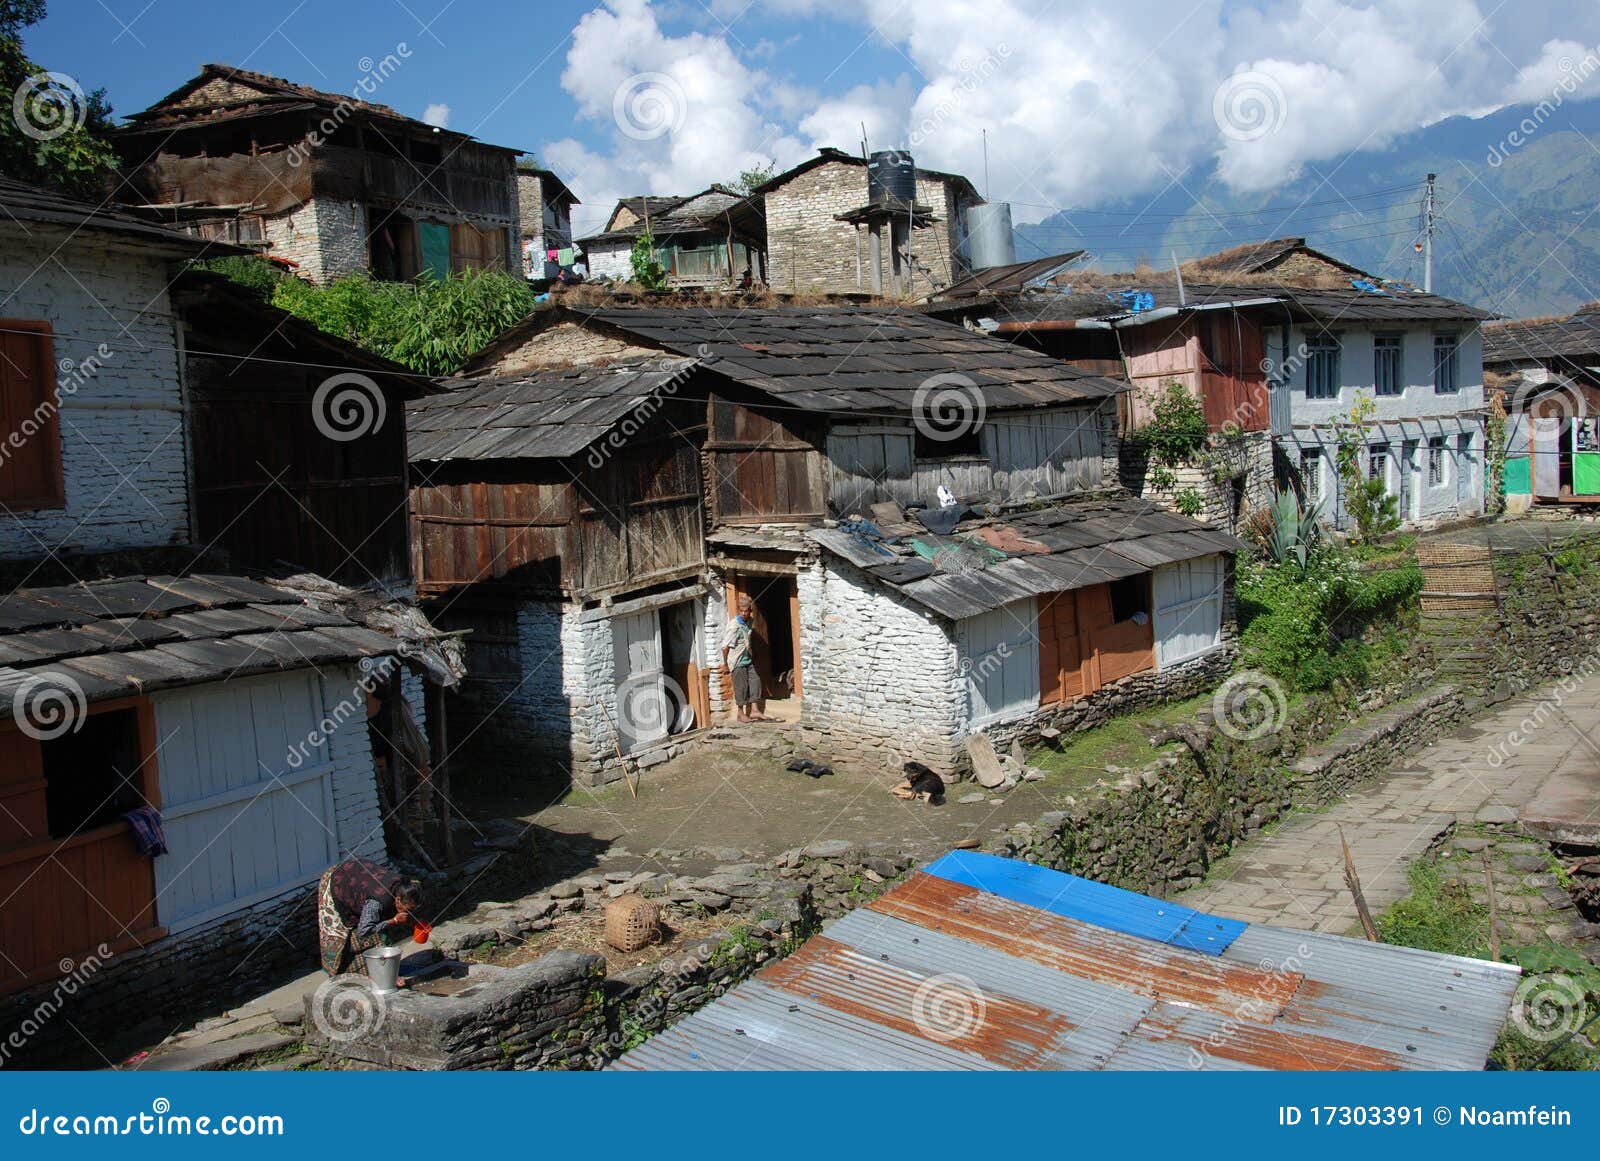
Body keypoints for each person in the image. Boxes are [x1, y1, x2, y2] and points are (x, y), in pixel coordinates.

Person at [316, 856, 424, 978]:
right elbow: (364, 931)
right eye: (408, 910)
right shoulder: (375, 903)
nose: (410, 913)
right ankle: (342, 974)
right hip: (338, 881)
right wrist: (393, 921)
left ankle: (383, 969)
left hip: (356, 874)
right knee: (342, 934)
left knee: (379, 933)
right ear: (398, 900)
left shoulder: (403, 886)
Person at [720, 595, 771, 723]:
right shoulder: (734, 625)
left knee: (756, 681)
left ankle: (754, 711)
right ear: (738, 611)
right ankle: (740, 713)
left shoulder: (749, 621)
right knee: (741, 687)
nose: (743, 613)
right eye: (741, 611)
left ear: (749, 611)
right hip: (737, 661)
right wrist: (725, 664)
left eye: (746, 611)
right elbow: (724, 646)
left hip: (748, 658)